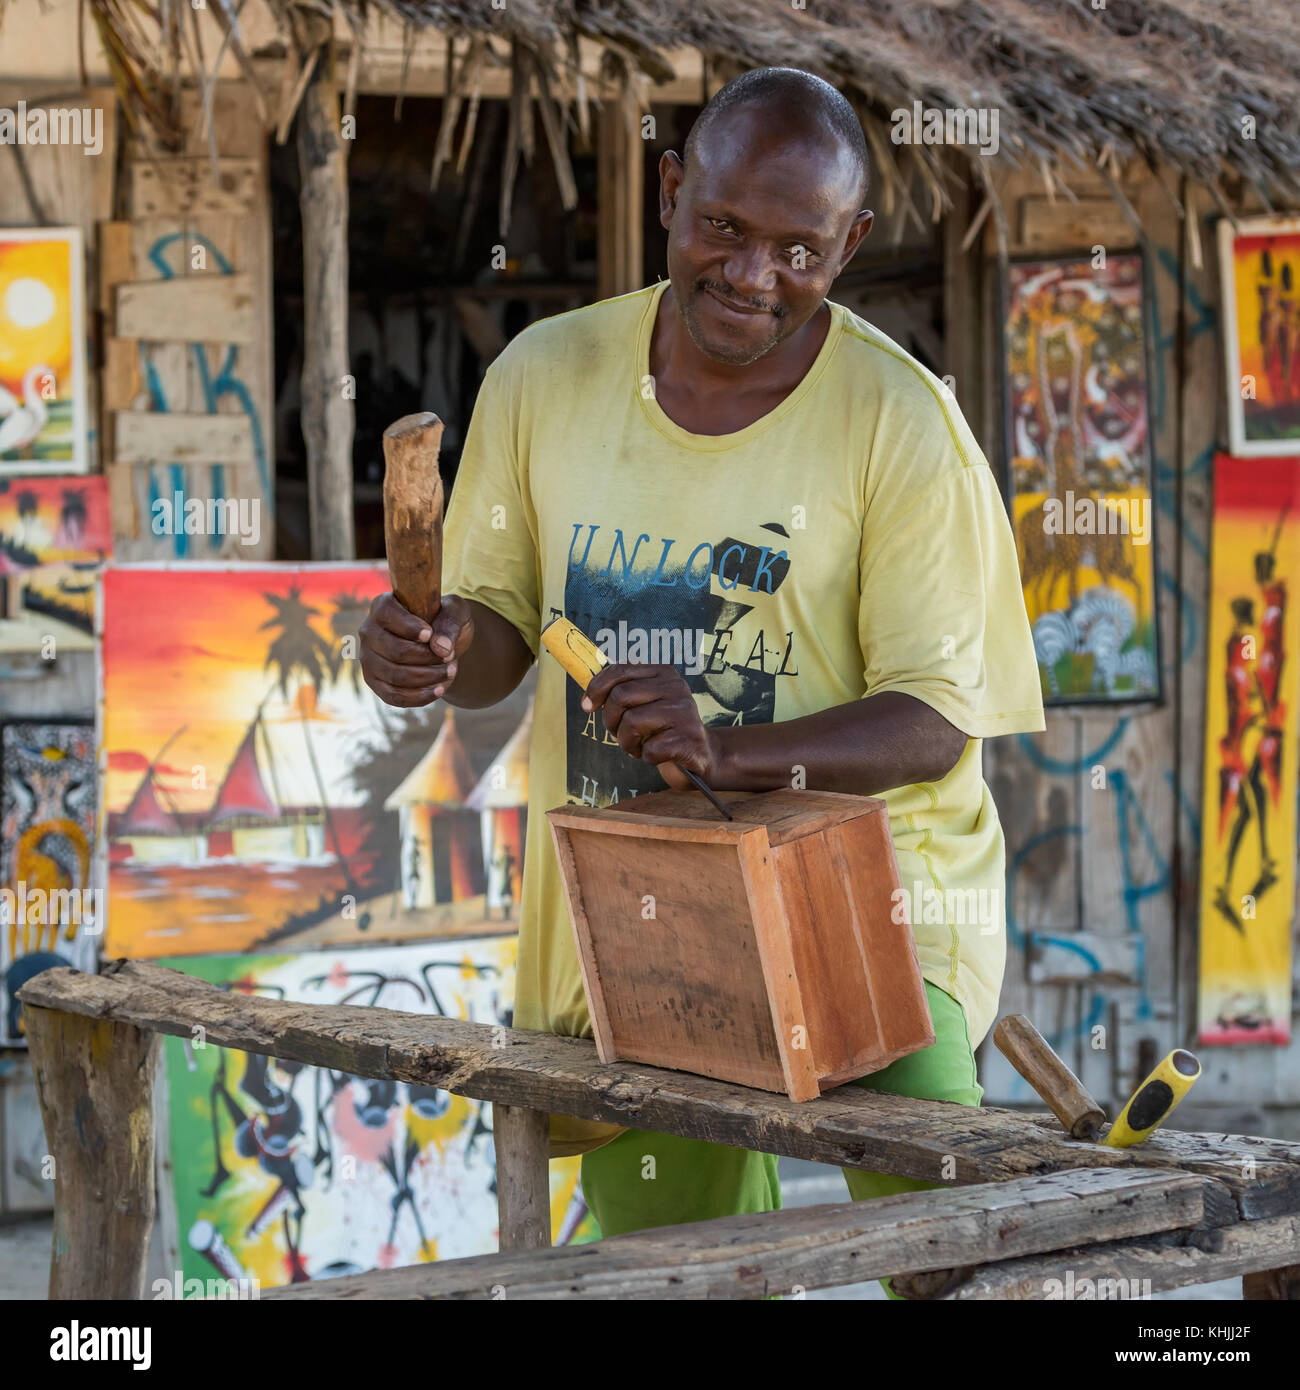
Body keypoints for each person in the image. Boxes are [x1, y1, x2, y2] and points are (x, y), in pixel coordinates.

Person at [360, 66, 1044, 1291]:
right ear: (671, 188)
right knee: (677, 1275)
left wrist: (729, 752)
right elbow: (500, 632)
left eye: (800, 250)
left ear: (852, 245)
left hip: (874, 911)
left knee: (943, 1269)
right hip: (645, 911)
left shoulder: (901, 422)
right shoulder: (545, 375)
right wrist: (439, 649)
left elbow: (935, 722)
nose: (752, 274)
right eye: (724, 227)